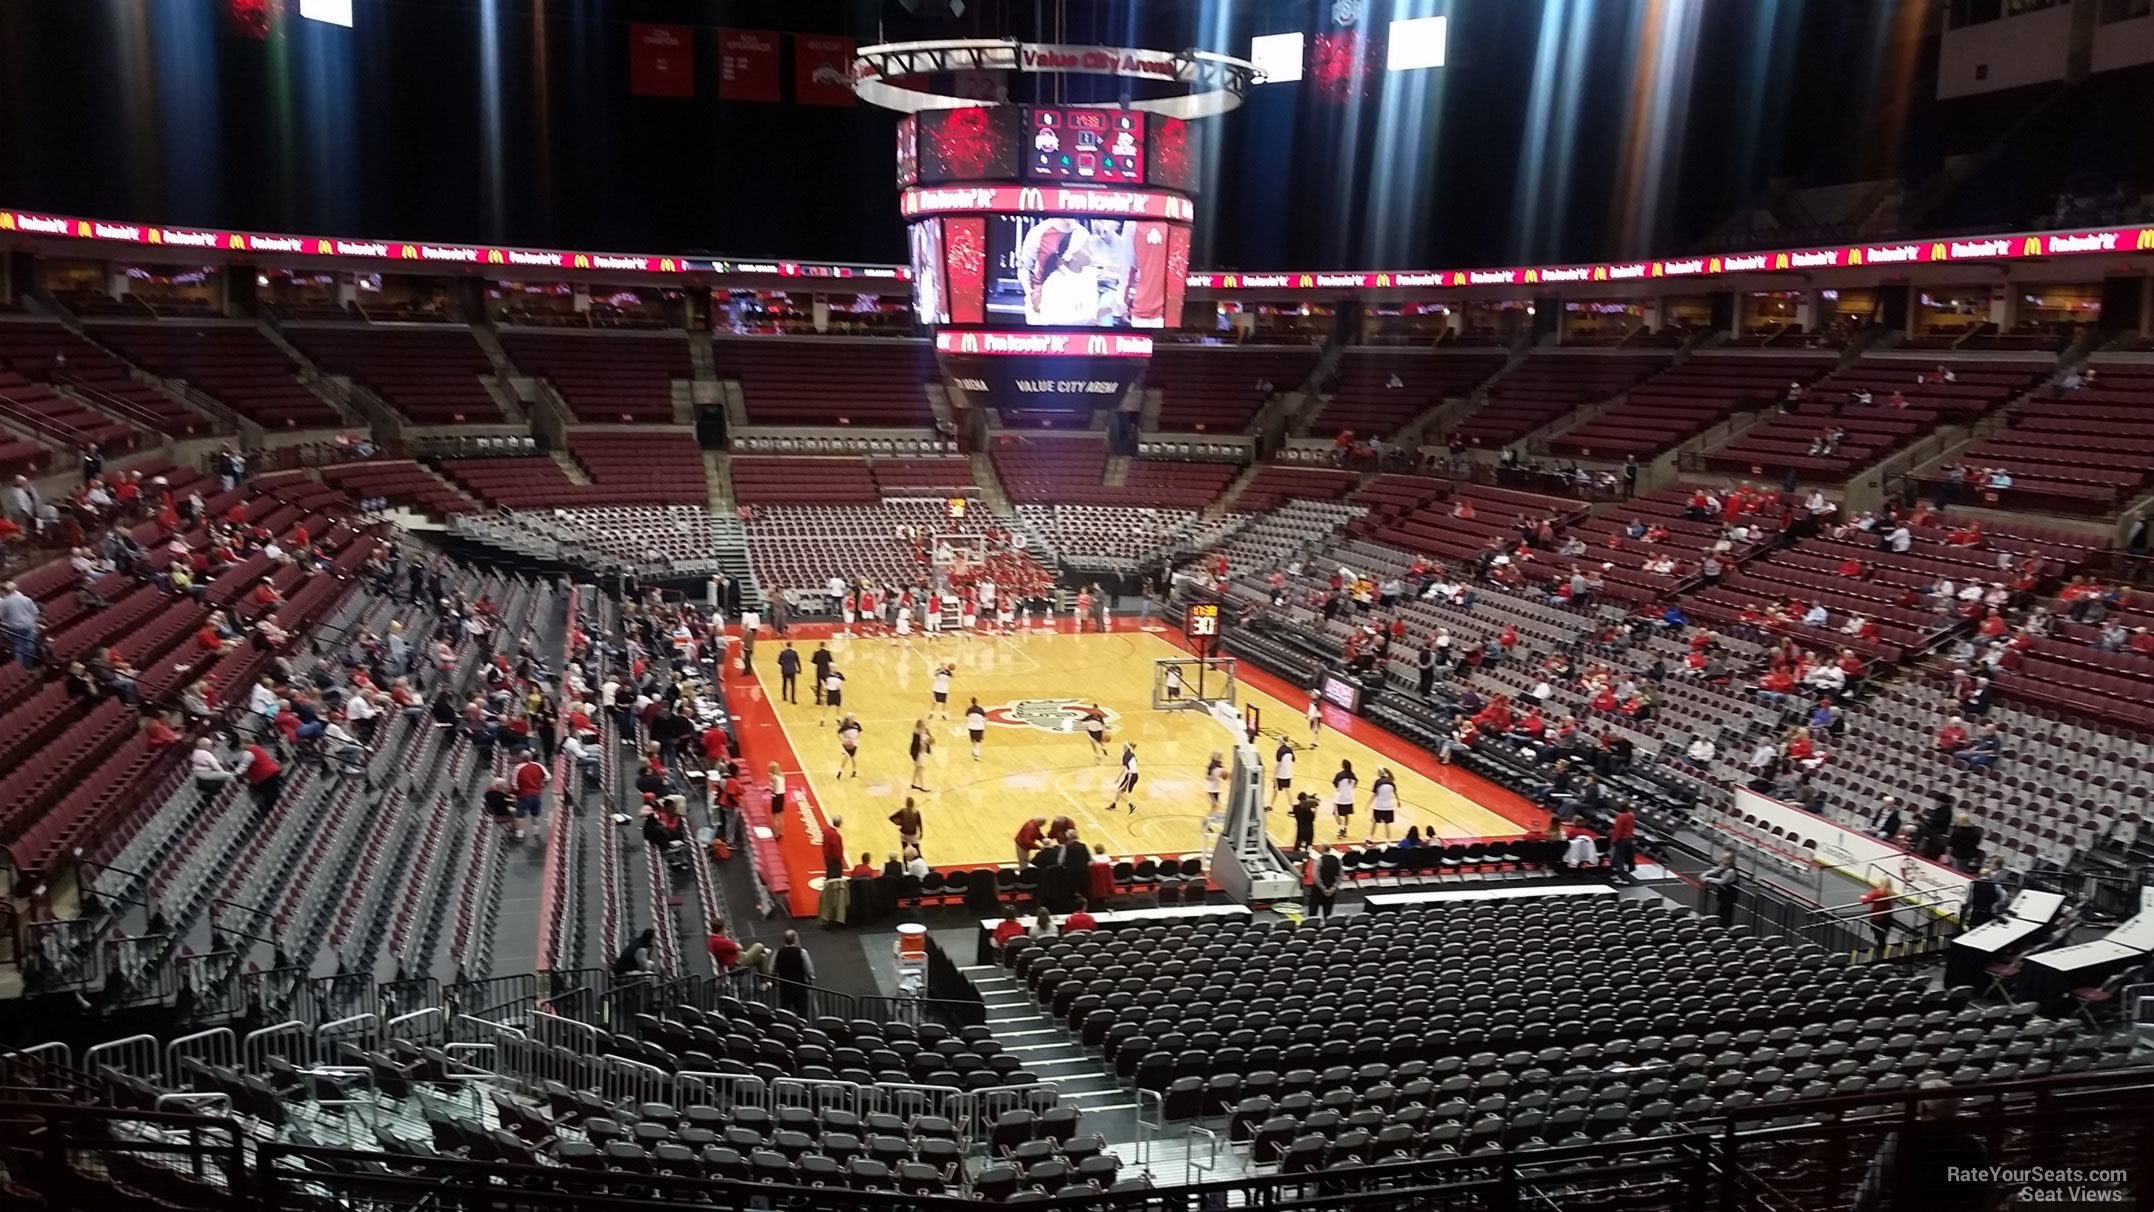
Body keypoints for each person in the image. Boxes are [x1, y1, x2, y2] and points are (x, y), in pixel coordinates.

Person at [1851, 1081, 1991, 1212]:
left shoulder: (1900, 1139)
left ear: (1922, 1107)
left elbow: (1873, 1186)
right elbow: (1983, 1193)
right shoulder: (1972, 1146)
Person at [770, 929, 815, 1016]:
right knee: (802, 1009)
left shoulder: (778, 952)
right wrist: (810, 978)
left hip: (784, 985)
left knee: (785, 1008)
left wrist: (774, 979)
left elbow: (772, 969)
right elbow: (809, 969)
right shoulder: (802, 952)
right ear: (795, 939)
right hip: (800, 985)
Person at [511, 751, 548, 841]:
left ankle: (520, 835)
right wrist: (542, 785)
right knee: (535, 814)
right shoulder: (538, 766)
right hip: (536, 794)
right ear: (531, 757)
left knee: (520, 815)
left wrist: (515, 794)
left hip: (524, 795)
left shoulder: (518, 768)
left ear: (521, 758)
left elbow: (514, 784)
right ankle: (536, 832)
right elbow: (547, 777)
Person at [1304, 842, 1341, 918]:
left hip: (1318, 889)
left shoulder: (1319, 860)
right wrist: (1332, 889)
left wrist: (1323, 889)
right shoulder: (1337, 860)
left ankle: (1312, 927)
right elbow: (1339, 876)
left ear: (1322, 849)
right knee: (1328, 913)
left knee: (1313, 911)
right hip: (1331, 889)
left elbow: (1316, 876)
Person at [1701, 852, 1740, 925]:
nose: (1721, 860)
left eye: (1724, 859)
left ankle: (1724, 926)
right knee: (1720, 910)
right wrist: (1705, 874)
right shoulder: (1724, 867)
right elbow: (1716, 870)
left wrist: (1708, 879)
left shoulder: (1731, 871)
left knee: (1726, 912)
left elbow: (1722, 881)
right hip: (1723, 894)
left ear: (1730, 860)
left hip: (1729, 895)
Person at [1608, 805, 1637, 883]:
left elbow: (1618, 830)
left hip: (1622, 840)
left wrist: (1613, 840)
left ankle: (1622, 876)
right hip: (1630, 838)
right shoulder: (1632, 815)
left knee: (1619, 858)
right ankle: (1627, 870)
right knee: (1629, 856)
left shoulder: (1620, 817)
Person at [1367, 767, 1398, 841]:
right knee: (1387, 824)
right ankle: (1388, 841)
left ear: (1380, 773)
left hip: (1379, 806)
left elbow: (1374, 794)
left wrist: (1368, 803)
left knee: (1374, 823)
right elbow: (1395, 793)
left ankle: (1370, 839)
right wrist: (1398, 801)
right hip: (1389, 806)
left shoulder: (1378, 781)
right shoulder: (1391, 782)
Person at [1109, 741, 1139, 813]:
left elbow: (1123, 769)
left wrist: (1118, 778)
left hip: (1131, 775)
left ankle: (1132, 806)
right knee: (1120, 790)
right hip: (1132, 775)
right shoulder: (1132, 754)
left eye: (1124, 746)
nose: (1123, 747)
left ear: (1127, 748)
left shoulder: (1126, 755)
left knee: (1120, 791)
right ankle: (1113, 804)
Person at [1330, 759, 1357, 840]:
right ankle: (1345, 828)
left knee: (1336, 814)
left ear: (1343, 765)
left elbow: (1335, 784)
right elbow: (1355, 785)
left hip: (1340, 798)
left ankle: (1341, 828)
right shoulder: (1353, 775)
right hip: (1349, 798)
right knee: (1346, 814)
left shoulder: (1339, 775)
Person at [907, 718, 934, 792]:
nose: (925, 725)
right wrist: (913, 755)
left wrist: (931, 740)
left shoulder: (926, 732)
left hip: (923, 753)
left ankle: (913, 784)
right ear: (920, 725)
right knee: (921, 769)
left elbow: (931, 741)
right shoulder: (916, 733)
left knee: (917, 769)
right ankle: (923, 786)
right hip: (919, 754)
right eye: (923, 724)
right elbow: (914, 745)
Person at [835, 713, 862, 779]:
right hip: (846, 744)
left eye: (853, 717)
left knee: (853, 757)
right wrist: (842, 740)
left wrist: (856, 739)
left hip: (854, 744)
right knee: (846, 757)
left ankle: (854, 771)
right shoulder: (844, 726)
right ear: (849, 718)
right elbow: (838, 734)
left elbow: (859, 732)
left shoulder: (856, 724)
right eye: (852, 717)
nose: (853, 718)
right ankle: (840, 771)